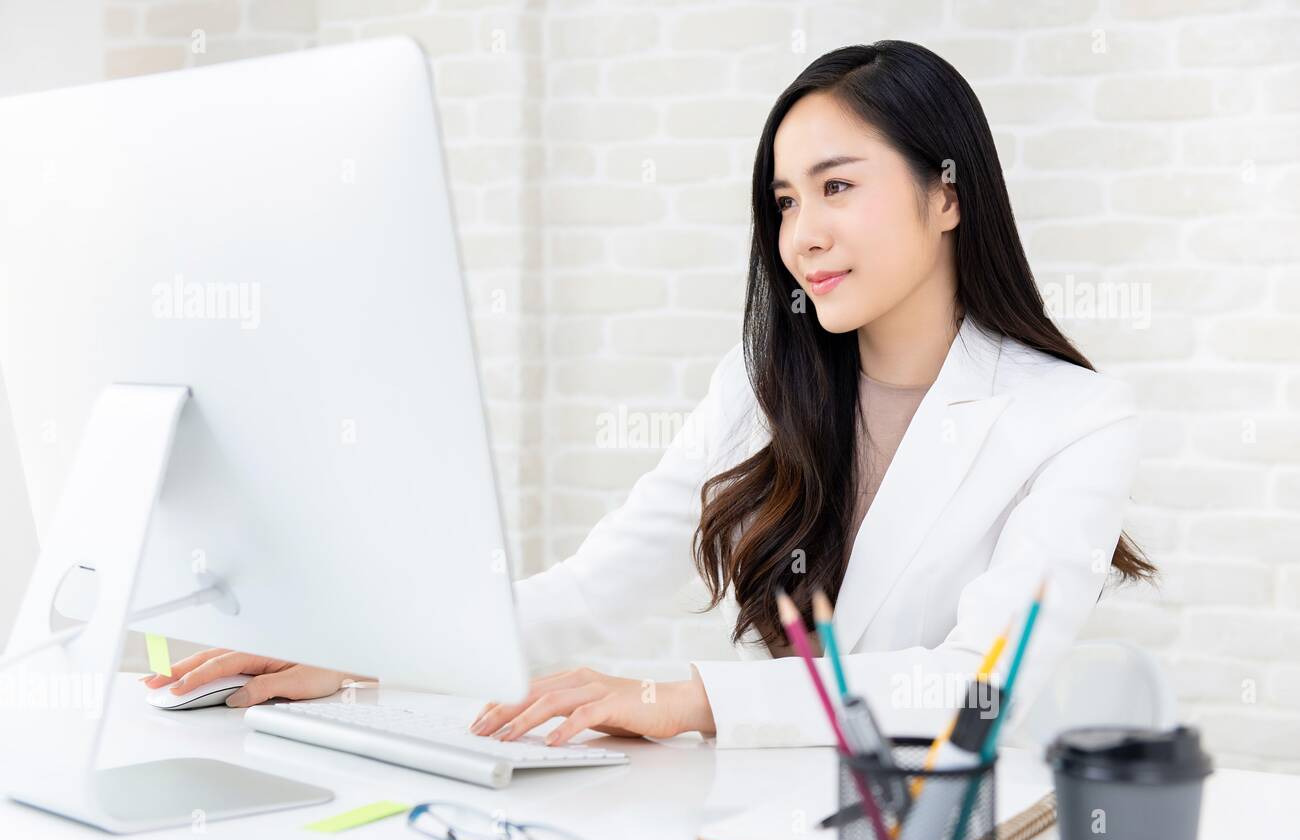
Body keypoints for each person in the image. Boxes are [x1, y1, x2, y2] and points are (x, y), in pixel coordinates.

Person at [144, 41, 1155, 750]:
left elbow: (977, 686)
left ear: (946, 194)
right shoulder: (766, 384)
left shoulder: (1074, 419)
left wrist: (688, 701)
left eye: (837, 187)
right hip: (764, 818)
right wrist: (357, 654)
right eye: (784, 200)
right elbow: (593, 588)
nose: (800, 234)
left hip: (948, 826)